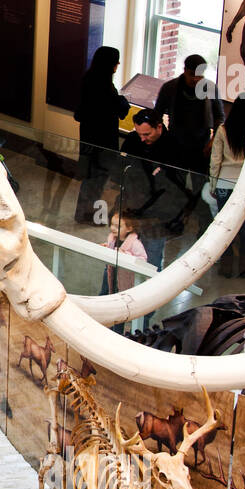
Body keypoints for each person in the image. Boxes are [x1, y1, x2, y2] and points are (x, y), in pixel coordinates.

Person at [119, 108, 189, 269]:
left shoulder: (175, 146)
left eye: (147, 134)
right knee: (125, 255)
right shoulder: (132, 140)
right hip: (132, 207)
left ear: (158, 127)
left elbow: (176, 185)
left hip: (157, 215)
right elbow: (121, 169)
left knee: (151, 259)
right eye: (139, 134)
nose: (142, 139)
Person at [73, 46, 130, 223]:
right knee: (97, 178)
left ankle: (85, 213)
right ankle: (88, 215)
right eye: (116, 62)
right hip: (102, 140)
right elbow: (119, 109)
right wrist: (121, 101)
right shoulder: (104, 85)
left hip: (90, 137)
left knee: (92, 177)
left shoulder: (89, 79)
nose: (118, 65)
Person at [208, 94, 245, 277]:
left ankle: (226, 266)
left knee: (225, 226)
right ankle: (244, 266)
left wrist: (213, 185)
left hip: (224, 183)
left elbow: (215, 161)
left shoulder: (223, 130)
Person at [155, 54, 222, 182]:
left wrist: (213, 141)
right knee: (173, 183)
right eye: (192, 74)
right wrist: (163, 138)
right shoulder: (169, 88)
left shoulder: (210, 89)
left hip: (201, 146)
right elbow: (157, 114)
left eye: (200, 75)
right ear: (185, 70)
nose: (196, 79)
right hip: (175, 143)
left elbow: (219, 117)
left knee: (199, 184)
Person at [101, 208, 149, 334]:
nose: (113, 228)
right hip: (110, 272)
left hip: (124, 279)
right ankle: (103, 325)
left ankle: (116, 332)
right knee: (103, 295)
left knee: (119, 305)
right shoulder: (112, 238)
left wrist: (126, 254)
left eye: (118, 226)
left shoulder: (135, 243)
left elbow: (143, 260)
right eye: (112, 224)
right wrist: (107, 247)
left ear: (129, 228)